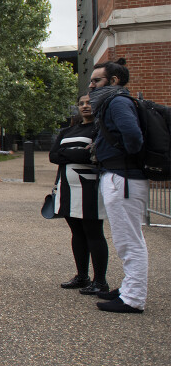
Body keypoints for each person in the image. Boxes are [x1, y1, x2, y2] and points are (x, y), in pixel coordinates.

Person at [88, 58, 147, 313]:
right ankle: (128, 288)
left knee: (129, 241)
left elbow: (133, 137)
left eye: (96, 80)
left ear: (113, 81)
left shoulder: (117, 101)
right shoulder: (112, 102)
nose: (91, 86)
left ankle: (133, 298)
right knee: (127, 238)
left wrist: (122, 155)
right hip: (119, 175)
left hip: (122, 177)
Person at [50, 94, 109, 296]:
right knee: (77, 232)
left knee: (93, 233)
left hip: (90, 187)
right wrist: (79, 153)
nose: (85, 106)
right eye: (81, 103)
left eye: (89, 103)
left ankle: (100, 281)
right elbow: (53, 156)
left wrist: (68, 154)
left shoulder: (101, 129)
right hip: (66, 186)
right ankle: (82, 275)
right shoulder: (68, 130)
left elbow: (95, 155)